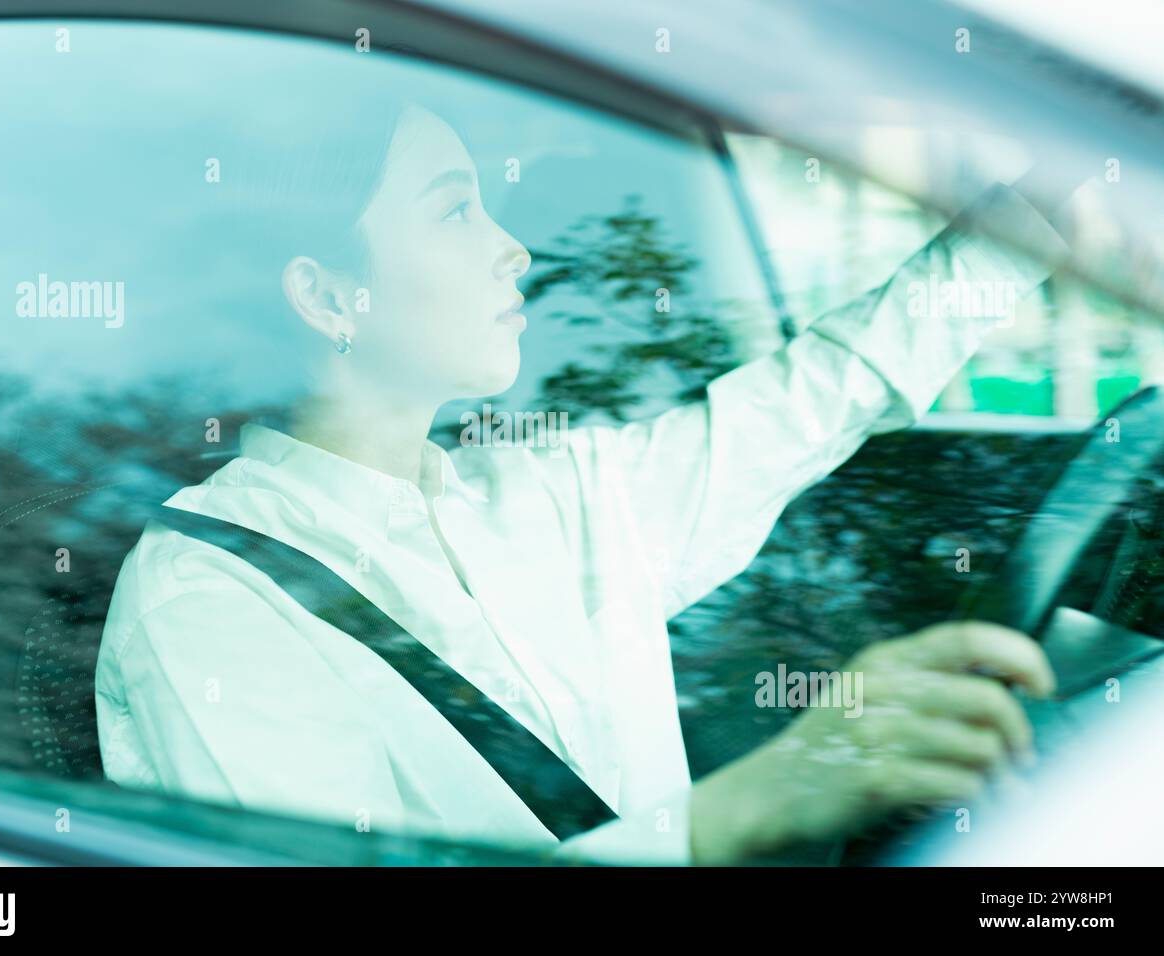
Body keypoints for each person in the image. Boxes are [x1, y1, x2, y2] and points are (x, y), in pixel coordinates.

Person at [95, 95, 1074, 865]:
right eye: (454, 209)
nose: (512, 247)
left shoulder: (554, 496)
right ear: (322, 294)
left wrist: (1053, 199)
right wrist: (747, 805)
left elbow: (821, 394)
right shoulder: (208, 595)